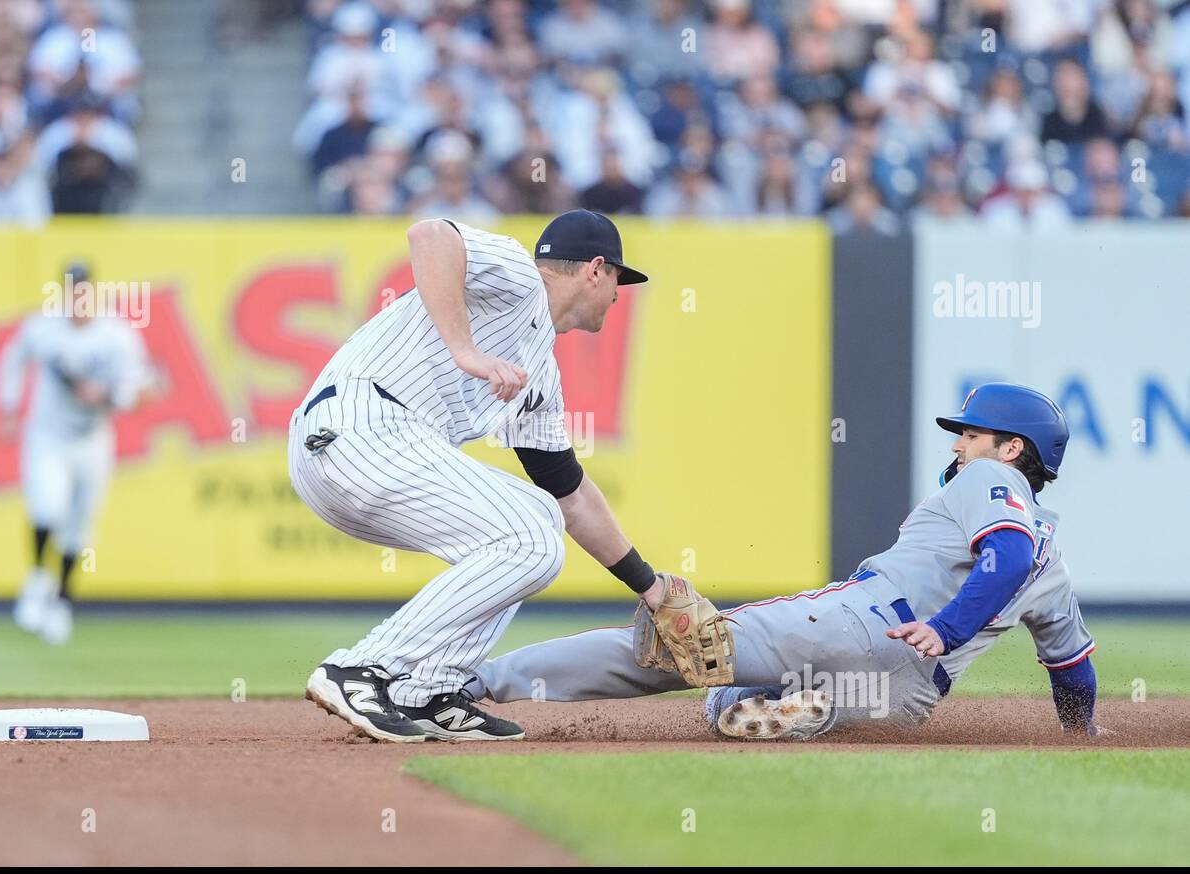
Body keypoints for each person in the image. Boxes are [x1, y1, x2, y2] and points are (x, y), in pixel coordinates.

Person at [470, 384, 1102, 742]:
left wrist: (946, 627)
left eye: (972, 434)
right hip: (908, 694)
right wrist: (1082, 736)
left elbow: (1007, 551)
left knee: (675, 652)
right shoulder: (1057, 570)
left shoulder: (989, 479)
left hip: (866, 621)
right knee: (735, 706)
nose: (960, 445)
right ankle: (806, 705)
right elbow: (1072, 668)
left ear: (1011, 448)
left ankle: (475, 682)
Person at [290, 210, 678, 743]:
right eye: (618, 279)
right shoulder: (522, 278)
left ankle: (425, 690)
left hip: (360, 452)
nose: (618, 294)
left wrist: (653, 589)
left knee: (535, 522)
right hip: (358, 426)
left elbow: (568, 493)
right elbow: (430, 235)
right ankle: (364, 668)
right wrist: (464, 349)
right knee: (527, 533)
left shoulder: (539, 367)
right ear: (595, 270)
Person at [0, 262, 153, 644]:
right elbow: (12, 360)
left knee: (79, 529)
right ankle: (37, 578)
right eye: (72, 290)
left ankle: (62, 602)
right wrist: (9, 406)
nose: (79, 299)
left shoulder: (115, 335)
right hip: (47, 434)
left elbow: (143, 389)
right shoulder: (44, 328)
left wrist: (109, 394)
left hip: (93, 438)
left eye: (84, 290)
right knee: (47, 508)